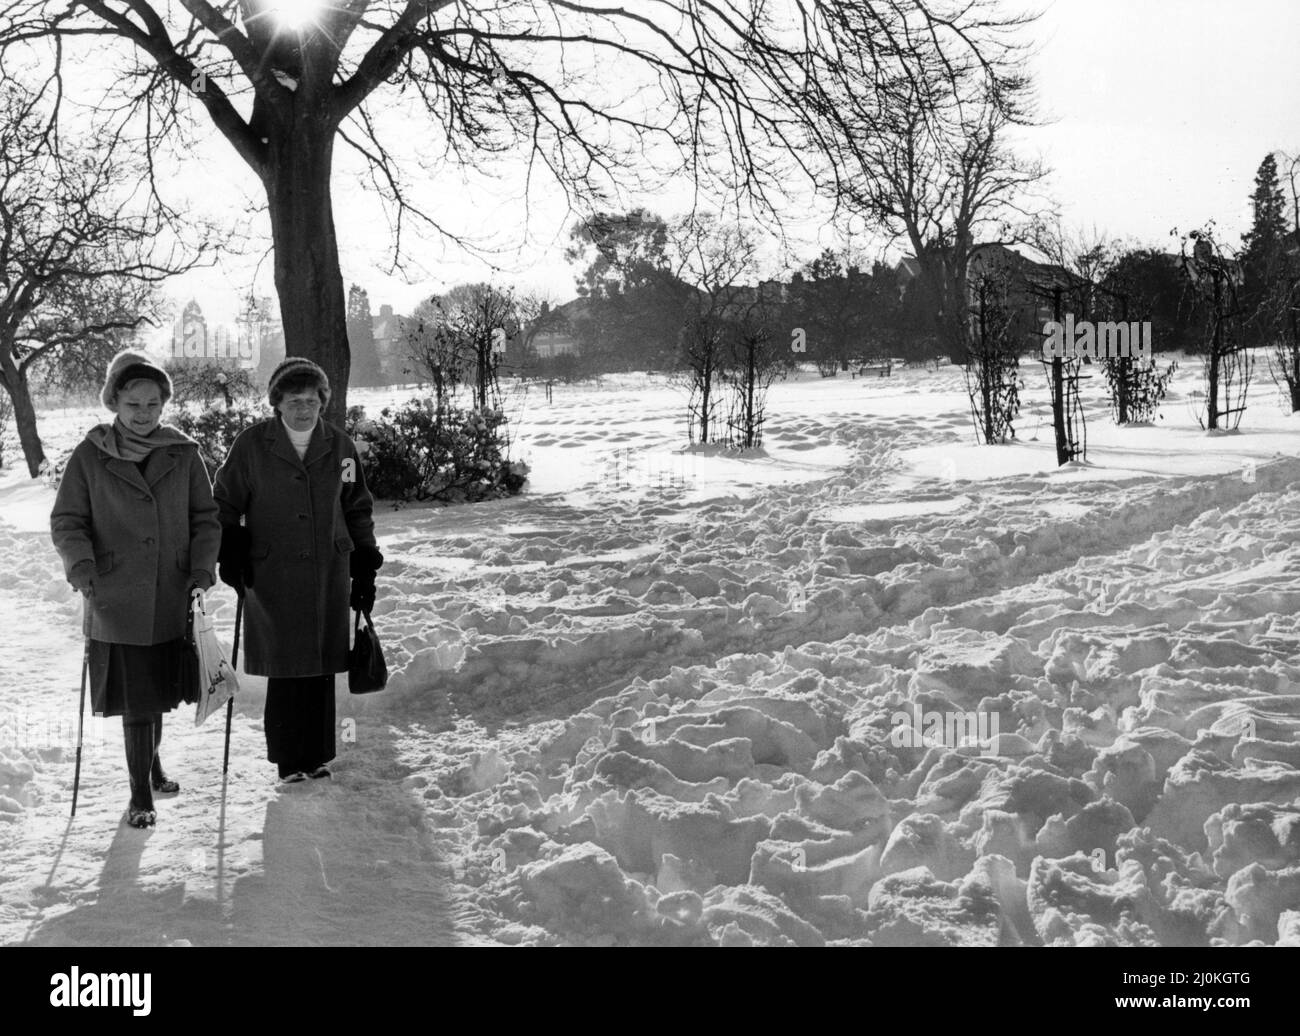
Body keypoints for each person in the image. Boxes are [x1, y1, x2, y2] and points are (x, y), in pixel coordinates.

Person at [50, 350, 221, 828]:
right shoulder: (90, 455)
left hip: (170, 591)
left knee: (158, 692)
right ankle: (139, 795)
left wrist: (202, 570)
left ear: (164, 405)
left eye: (153, 405)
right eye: (133, 405)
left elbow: (205, 519)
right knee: (137, 699)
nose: (144, 415)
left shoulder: (183, 453)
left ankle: (154, 764)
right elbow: (68, 521)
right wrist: (80, 564)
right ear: (114, 403)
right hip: (114, 594)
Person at [213, 357, 381, 784]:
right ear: (277, 403)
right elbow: (225, 502)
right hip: (272, 571)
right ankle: (289, 760)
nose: (303, 408)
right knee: (286, 667)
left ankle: (318, 755)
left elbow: (355, 505)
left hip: (328, 567)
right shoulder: (252, 445)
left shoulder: (340, 448)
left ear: (322, 401)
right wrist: (229, 544)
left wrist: (365, 559)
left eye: (311, 399)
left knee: (322, 664)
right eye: (293, 400)